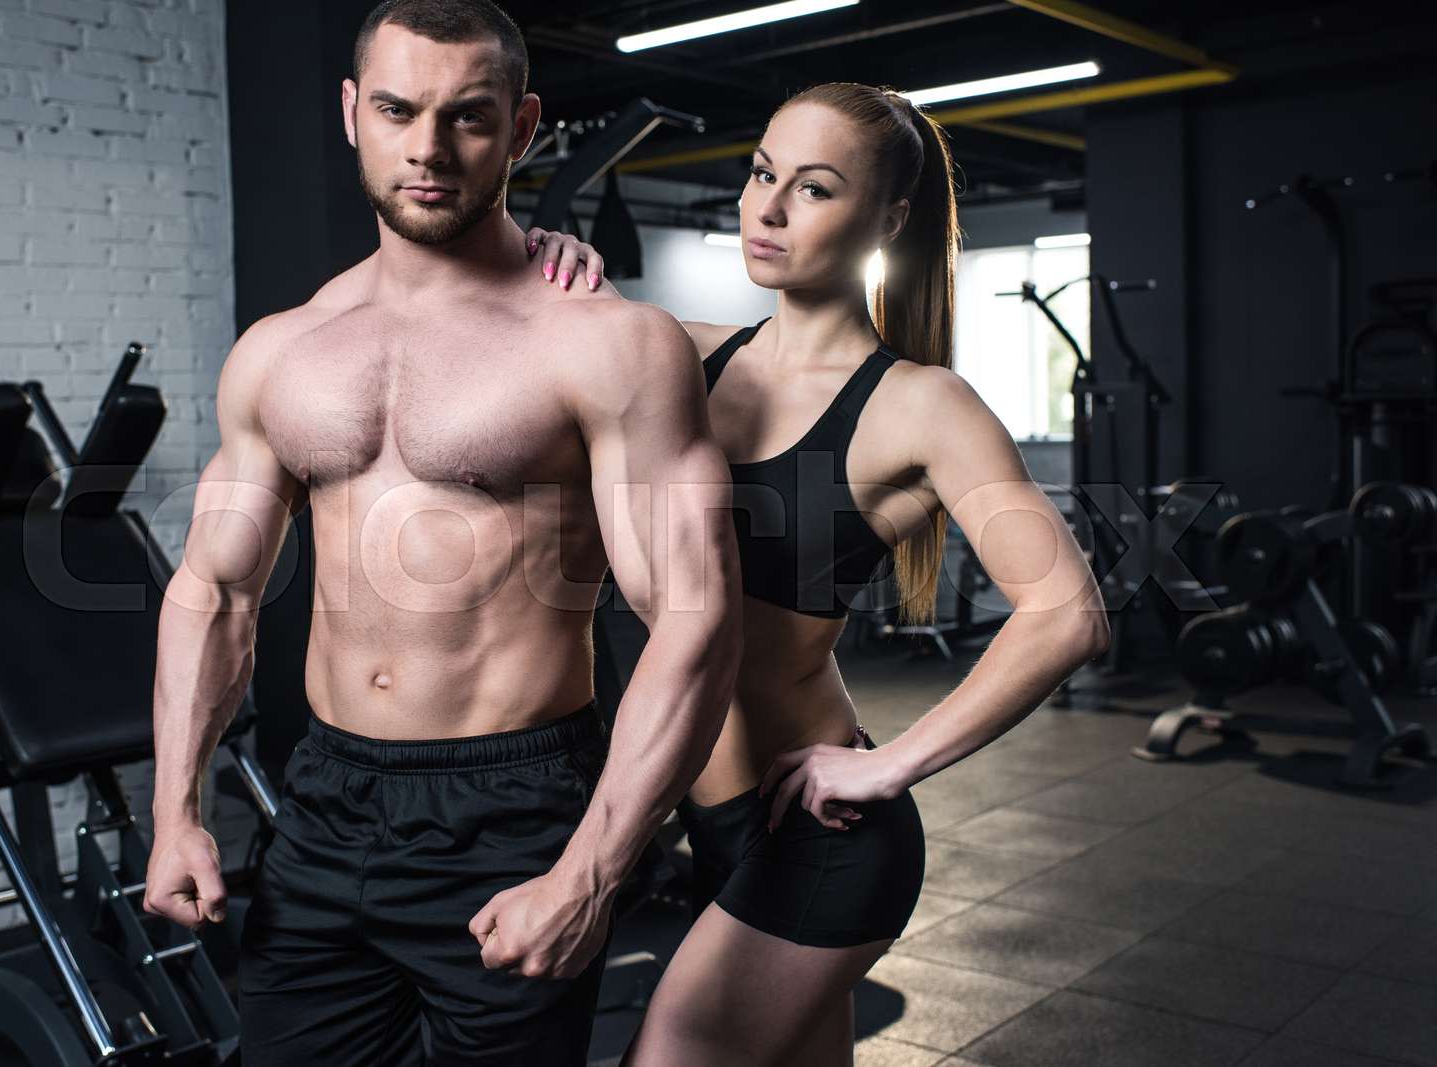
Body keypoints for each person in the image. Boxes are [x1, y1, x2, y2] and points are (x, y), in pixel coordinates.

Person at [142, 3, 743, 1065]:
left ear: (519, 129)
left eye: (466, 117)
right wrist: (175, 808)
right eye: (396, 109)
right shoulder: (280, 351)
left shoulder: (607, 345)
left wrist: (594, 869)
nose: (426, 147)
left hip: (514, 806)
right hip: (323, 797)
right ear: (350, 114)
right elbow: (214, 590)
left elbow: (694, 621)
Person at [527, 82, 1109, 1065]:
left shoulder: (922, 406)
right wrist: (569, 264)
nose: (768, 205)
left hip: (820, 832)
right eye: (761, 173)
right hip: (703, 826)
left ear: (886, 219)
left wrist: (887, 761)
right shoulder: (683, 359)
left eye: (814, 187)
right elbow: (540, 325)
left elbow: (1068, 614)